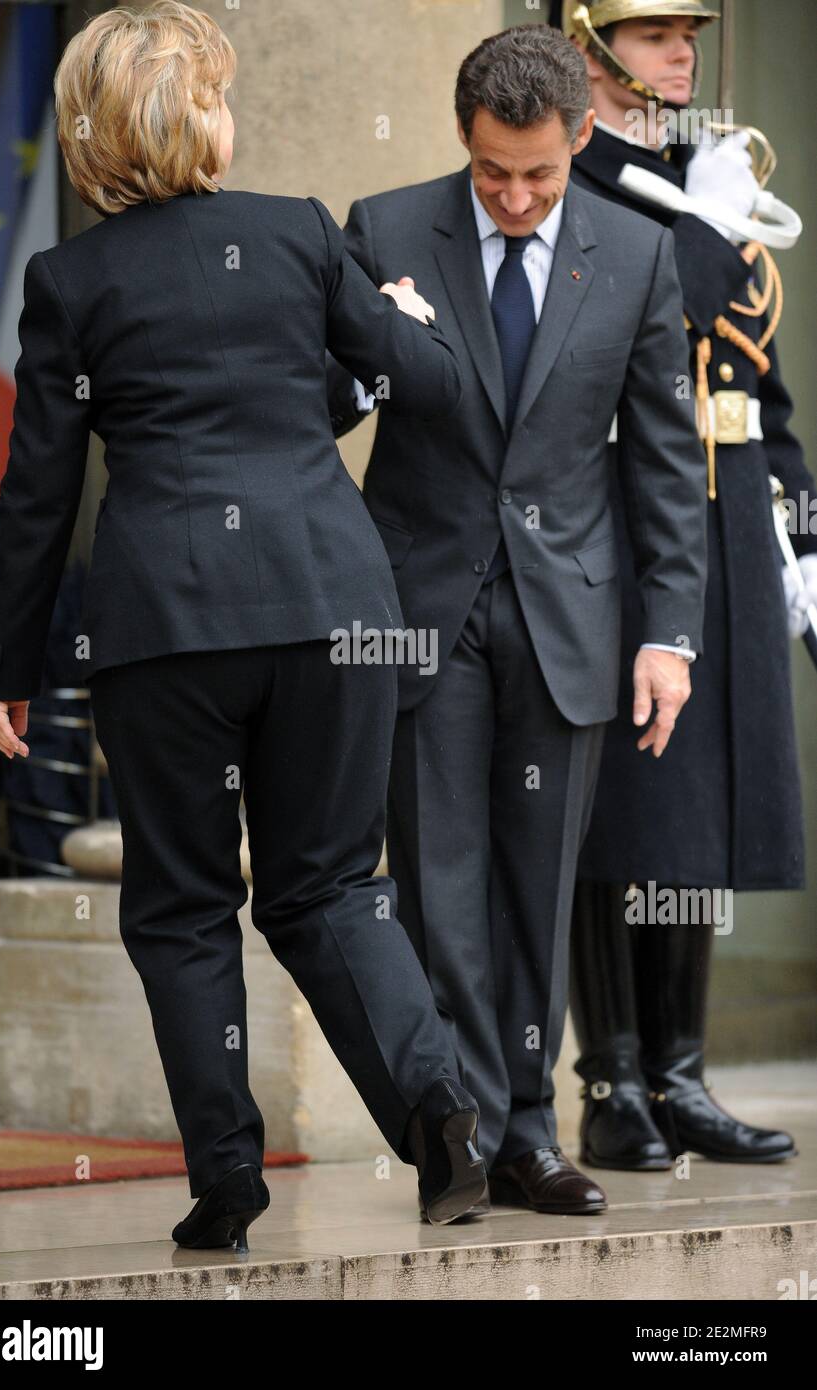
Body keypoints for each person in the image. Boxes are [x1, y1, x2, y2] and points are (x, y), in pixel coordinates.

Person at [0, 0, 489, 1249]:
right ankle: (440, 1116)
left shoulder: (69, 279)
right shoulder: (303, 234)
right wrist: (403, 325)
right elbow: (406, 388)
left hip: (165, 626)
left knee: (182, 904)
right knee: (330, 889)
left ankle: (227, 1180)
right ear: (199, 116)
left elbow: (38, 492)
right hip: (330, 606)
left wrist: (10, 661)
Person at [327, 22, 708, 1216]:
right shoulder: (383, 228)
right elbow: (326, 404)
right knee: (440, 891)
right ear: (463, 137)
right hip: (422, 607)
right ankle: (478, 1130)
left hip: (569, 616)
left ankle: (526, 1130)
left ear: (579, 136)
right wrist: (372, 339)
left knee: (536, 892)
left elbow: (658, 459)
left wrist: (670, 634)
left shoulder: (641, 254)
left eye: (538, 173)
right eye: (493, 171)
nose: (514, 196)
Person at [555, 0, 817, 1168]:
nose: (680, 52)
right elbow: (657, 312)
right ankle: (609, 1078)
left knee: (702, 802)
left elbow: (760, 389)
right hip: (619, 517)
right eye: (651, 32)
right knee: (620, 803)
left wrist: (803, 532)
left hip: (727, 515)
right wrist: (705, 227)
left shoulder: (696, 172)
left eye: (687, 32)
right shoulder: (572, 175)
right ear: (589, 43)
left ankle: (680, 1075)